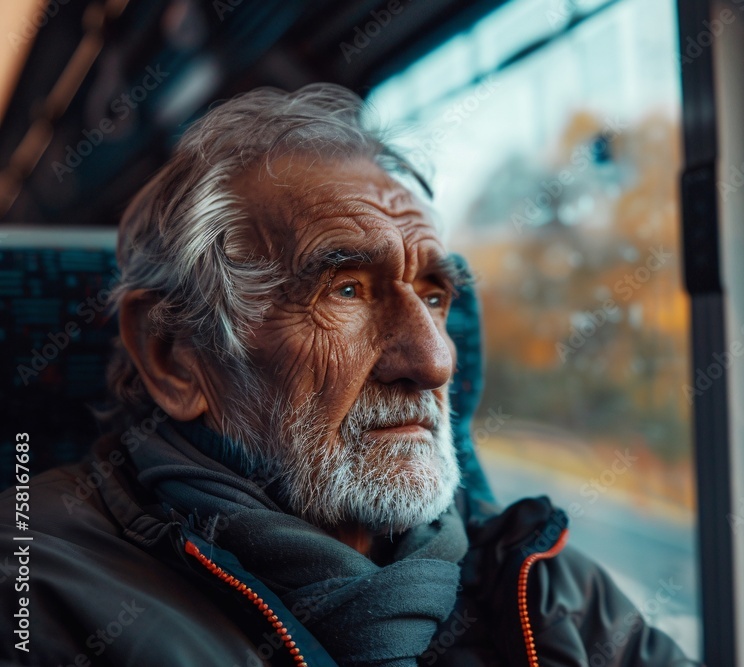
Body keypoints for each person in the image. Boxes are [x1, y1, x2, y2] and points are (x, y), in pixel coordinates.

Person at [0, 84, 697, 667]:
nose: (433, 361)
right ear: (173, 355)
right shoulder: (34, 589)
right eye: (347, 290)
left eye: (433, 296)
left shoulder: (550, 585)